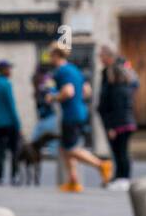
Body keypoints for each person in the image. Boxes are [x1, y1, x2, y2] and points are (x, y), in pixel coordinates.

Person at [48, 43, 114, 192]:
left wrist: (53, 98)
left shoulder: (61, 71)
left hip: (70, 114)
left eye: (50, 55)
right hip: (81, 111)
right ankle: (73, 181)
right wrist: (78, 101)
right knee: (67, 147)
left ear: (56, 55)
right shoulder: (75, 70)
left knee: (68, 149)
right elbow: (87, 90)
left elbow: (68, 91)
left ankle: (101, 165)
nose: (50, 59)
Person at [96, 43, 139, 188]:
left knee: (121, 151)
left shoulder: (117, 83)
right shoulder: (119, 80)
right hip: (121, 120)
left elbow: (113, 105)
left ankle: (123, 179)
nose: (100, 59)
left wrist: (112, 126)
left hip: (119, 122)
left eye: (101, 56)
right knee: (119, 151)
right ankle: (120, 178)